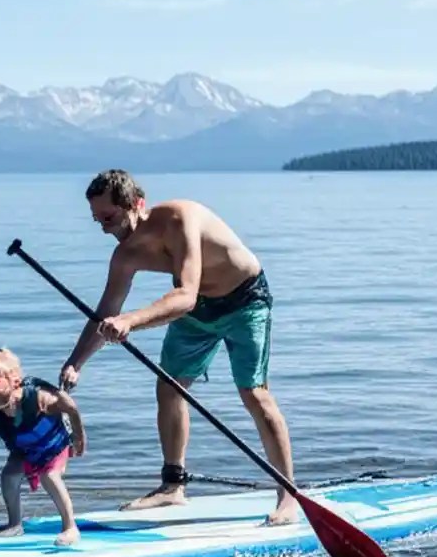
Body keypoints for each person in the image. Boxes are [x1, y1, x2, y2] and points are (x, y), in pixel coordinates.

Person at [59, 169, 298, 525]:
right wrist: (76, 362)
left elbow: (184, 295)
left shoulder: (180, 218)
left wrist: (130, 321)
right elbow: (105, 313)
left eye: (109, 217)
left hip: (245, 301)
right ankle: (173, 487)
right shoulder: (125, 257)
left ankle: (288, 496)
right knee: (169, 387)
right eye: (97, 221)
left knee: (254, 394)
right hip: (200, 308)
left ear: (137, 204)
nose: (105, 228)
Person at [0, 347, 87, 546]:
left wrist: (80, 440)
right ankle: (15, 524)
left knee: (49, 476)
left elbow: (71, 409)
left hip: (53, 448)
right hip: (26, 452)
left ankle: (70, 527)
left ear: (14, 381)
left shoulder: (39, 399)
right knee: (8, 476)